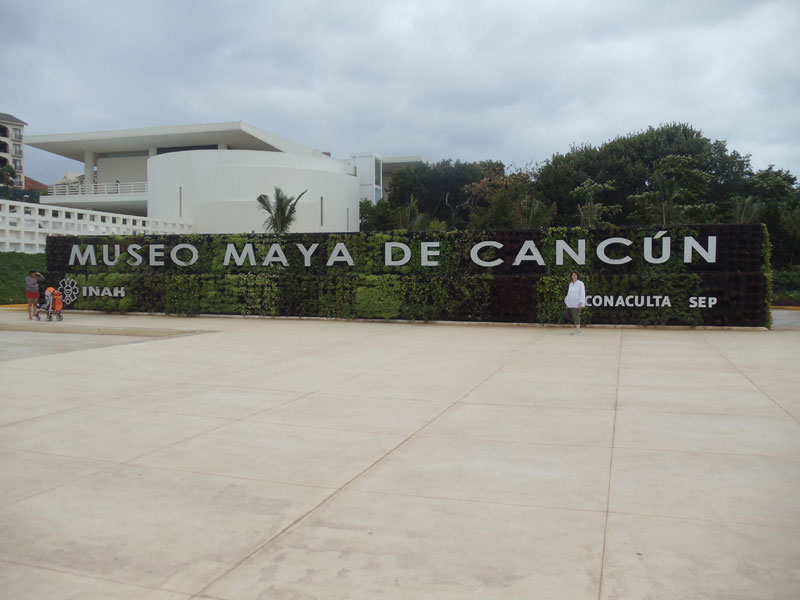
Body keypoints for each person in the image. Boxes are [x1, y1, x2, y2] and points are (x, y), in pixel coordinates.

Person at [564, 270, 586, 335]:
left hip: (578, 303)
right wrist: (567, 303)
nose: (574, 276)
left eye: (575, 275)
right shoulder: (570, 284)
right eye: (573, 275)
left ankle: (578, 331)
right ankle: (577, 329)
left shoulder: (580, 283)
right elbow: (568, 294)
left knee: (577, 316)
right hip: (571, 303)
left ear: (577, 276)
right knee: (574, 316)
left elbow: (582, 293)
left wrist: (581, 302)